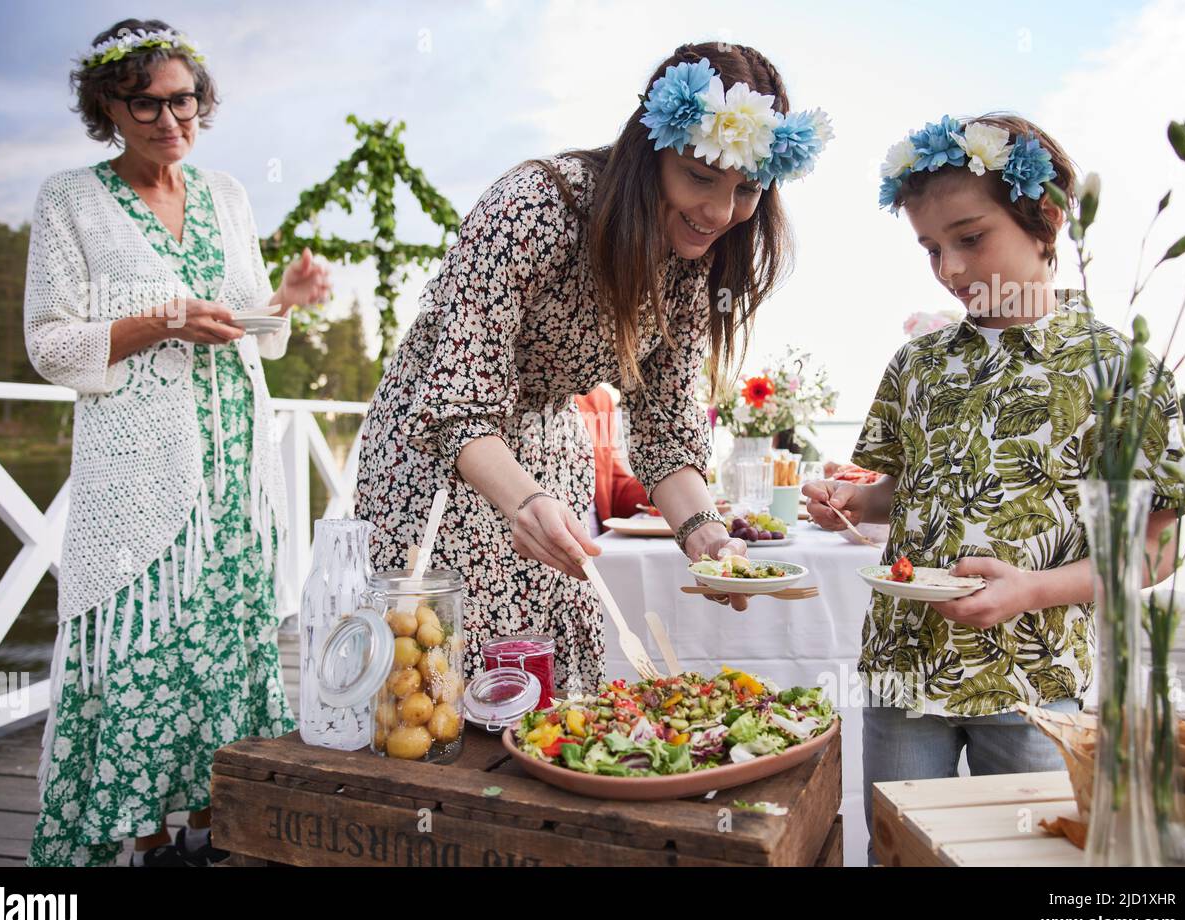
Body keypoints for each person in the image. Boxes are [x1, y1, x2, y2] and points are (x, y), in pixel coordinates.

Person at [355, 42, 831, 691]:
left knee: (543, 678)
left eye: (746, 189)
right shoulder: (534, 208)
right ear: (651, 152)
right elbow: (459, 402)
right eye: (699, 176)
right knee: (434, 673)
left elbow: (664, 430)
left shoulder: (696, 267)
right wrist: (523, 502)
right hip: (436, 442)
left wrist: (708, 538)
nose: (720, 213)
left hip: (550, 446)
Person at [802, 113, 1185, 864]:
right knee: (899, 851)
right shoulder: (916, 363)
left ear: (1046, 218)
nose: (951, 268)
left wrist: (1032, 589)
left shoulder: (1122, 371)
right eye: (930, 248)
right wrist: (858, 501)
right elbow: (906, 487)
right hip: (903, 670)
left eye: (970, 236)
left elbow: (1159, 547)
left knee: (1024, 860)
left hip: (1031, 682)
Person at [24, 19, 330, 867]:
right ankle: (145, 844)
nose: (170, 118)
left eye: (183, 98)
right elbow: (51, 344)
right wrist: (161, 319)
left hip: (236, 469)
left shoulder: (228, 195)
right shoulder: (69, 199)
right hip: (142, 476)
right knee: (141, 657)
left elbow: (244, 330)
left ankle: (213, 832)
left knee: (226, 652)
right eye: (146, 103)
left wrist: (287, 298)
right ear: (108, 107)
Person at [574, 385, 649, 532]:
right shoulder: (520, 389)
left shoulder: (598, 397)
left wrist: (666, 483)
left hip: (599, 545)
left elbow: (613, 488)